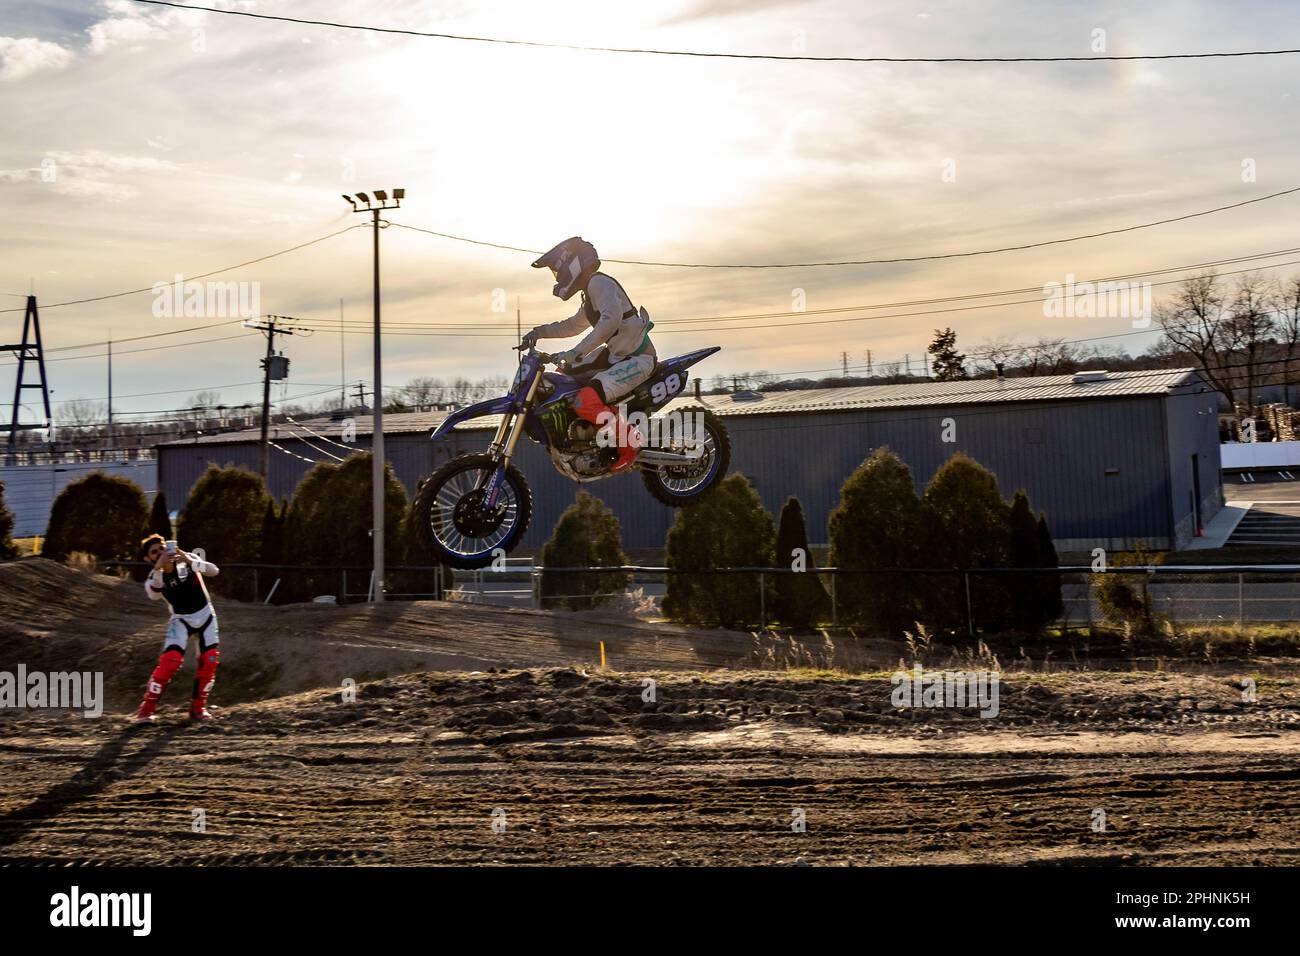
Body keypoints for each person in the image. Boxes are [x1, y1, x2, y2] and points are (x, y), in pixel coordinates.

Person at [525, 237, 656, 472]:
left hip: (637, 359)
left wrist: (577, 352)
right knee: (563, 374)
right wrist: (539, 332)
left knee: (586, 400)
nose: (557, 275)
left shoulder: (599, 283)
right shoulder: (590, 293)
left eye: (557, 269)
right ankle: (585, 437)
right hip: (617, 355)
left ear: (572, 263)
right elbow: (573, 325)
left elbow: (610, 320)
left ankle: (629, 444)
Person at [134, 533, 221, 723]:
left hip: (206, 614)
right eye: (154, 552)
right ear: (148, 558)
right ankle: (146, 710)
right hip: (181, 619)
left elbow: (214, 570)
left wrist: (189, 559)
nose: (160, 553)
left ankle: (198, 709)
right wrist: (159, 568)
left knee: (210, 661)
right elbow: (153, 594)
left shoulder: (187, 559)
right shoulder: (153, 576)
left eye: (162, 548)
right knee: (170, 662)